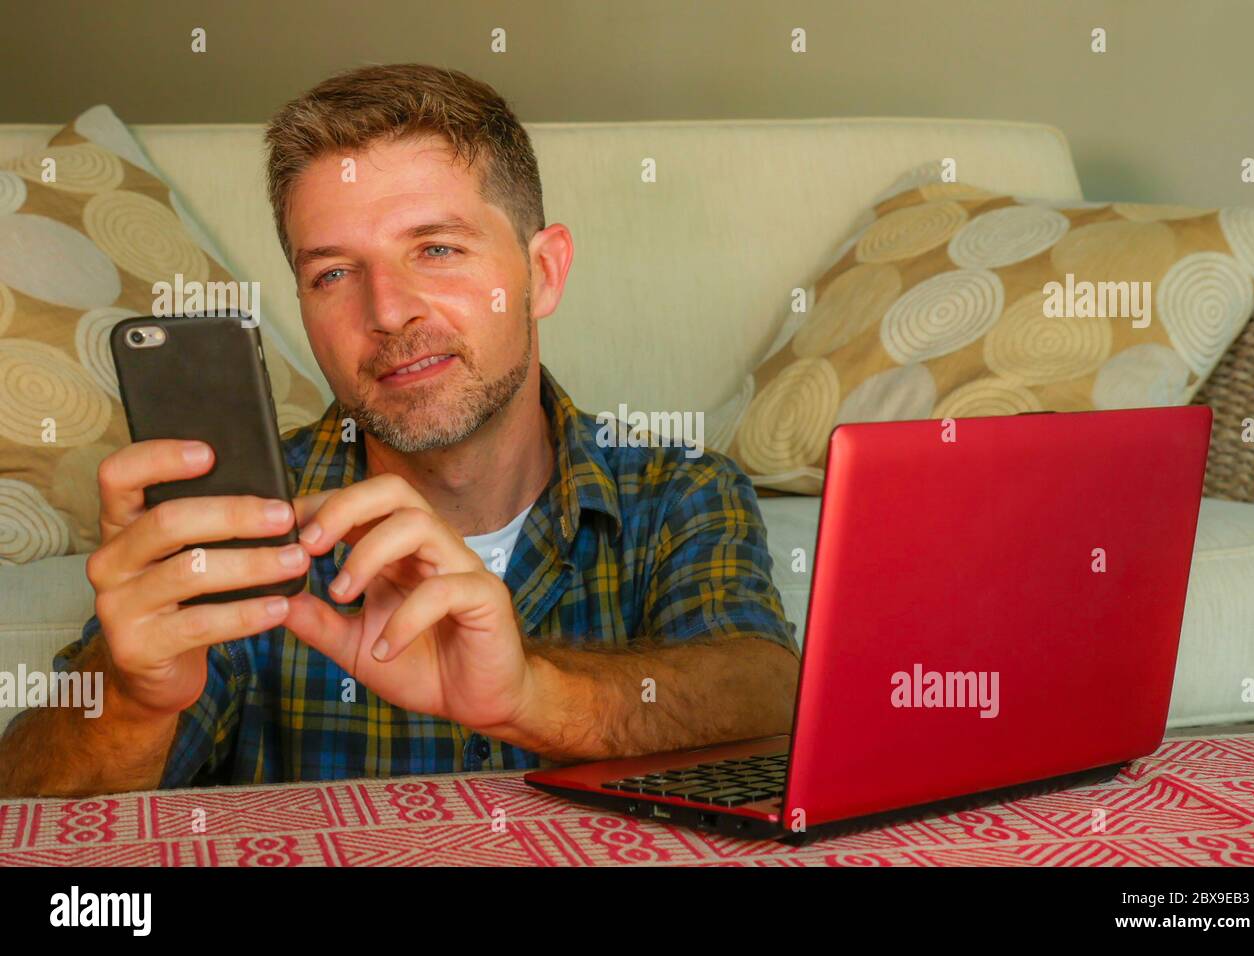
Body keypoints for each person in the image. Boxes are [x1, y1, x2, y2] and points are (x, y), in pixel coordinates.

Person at [0, 64, 799, 797]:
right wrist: (134, 699)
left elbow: (764, 695)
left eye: (438, 249)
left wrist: (528, 693)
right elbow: (30, 807)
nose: (387, 312)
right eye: (334, 274)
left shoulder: (679, 488)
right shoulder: (243, 525)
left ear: (544, 272)